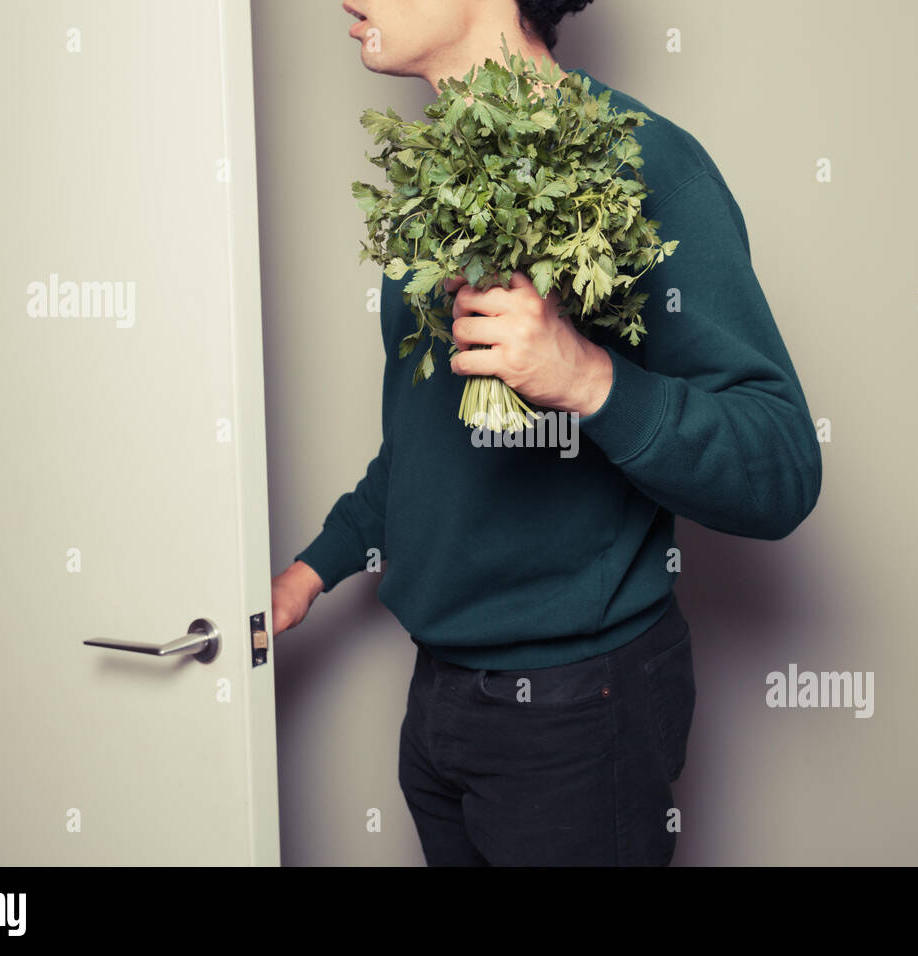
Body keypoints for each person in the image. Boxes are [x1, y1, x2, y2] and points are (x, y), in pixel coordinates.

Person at [271, 0, 822, 865]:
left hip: (575, 714)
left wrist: (584, 377)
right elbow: (426, 446)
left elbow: (781, 465)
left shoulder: (649, 163)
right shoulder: (432, 179)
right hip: (439, 702)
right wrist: (312, 570)